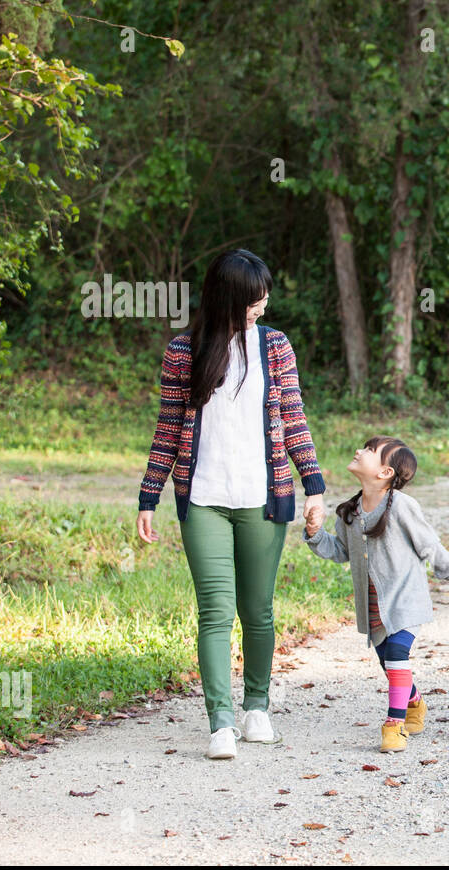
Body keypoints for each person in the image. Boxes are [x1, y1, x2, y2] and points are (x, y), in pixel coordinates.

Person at [137, 249, 326, 759]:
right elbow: (168, 428)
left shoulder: (276, 347)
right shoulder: (185, 350)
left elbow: (295, 422)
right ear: (227, 297)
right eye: (252, 297)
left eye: (264, 294)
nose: (262, 304)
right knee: (215, 612)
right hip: (203, 499)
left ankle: (257, 708)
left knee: (258, 611)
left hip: (264, 500)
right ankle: (221, 722)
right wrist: (148, 497)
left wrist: (315, 487)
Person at [304, 435, 449, 753]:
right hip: (374, 607)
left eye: (368, 451)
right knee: (389, 665)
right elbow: (338, 551)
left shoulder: (403, 506)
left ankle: (394, 726)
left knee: (396, 657)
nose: (358, 451)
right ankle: (415, 701)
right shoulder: (350, 513)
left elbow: (428, 545)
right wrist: (314, 533)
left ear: (385, 473)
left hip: (405, 600)